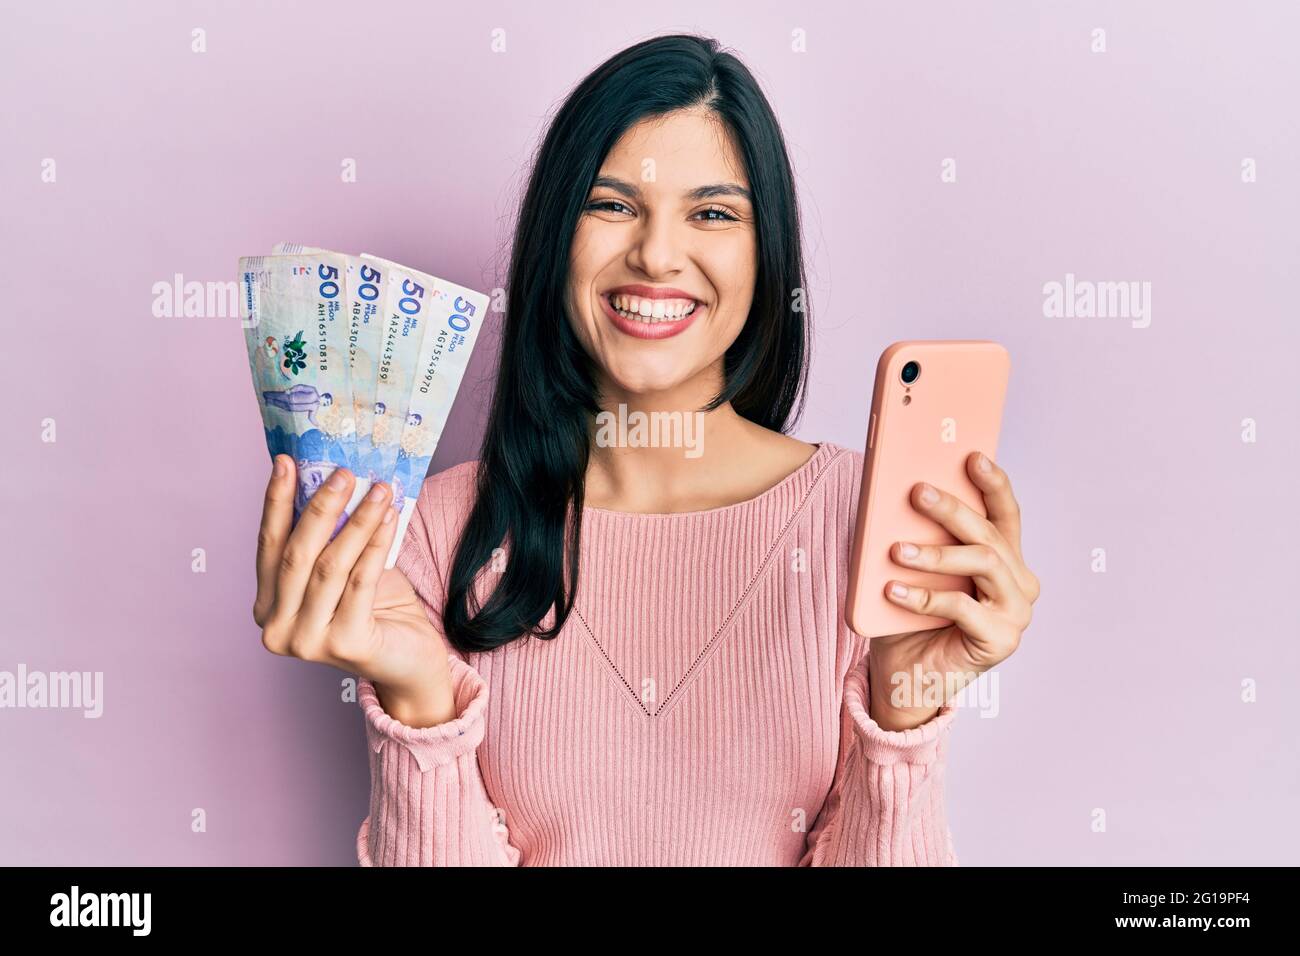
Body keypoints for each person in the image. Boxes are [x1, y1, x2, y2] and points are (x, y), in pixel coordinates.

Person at [252, 34, 1040, 866]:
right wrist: (416, 701)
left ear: (766, 253)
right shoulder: (437, 529)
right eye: (612, 204)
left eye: (712, 213)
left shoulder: (871, 526)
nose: (658, 255)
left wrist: (902, 711)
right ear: (556, 238)